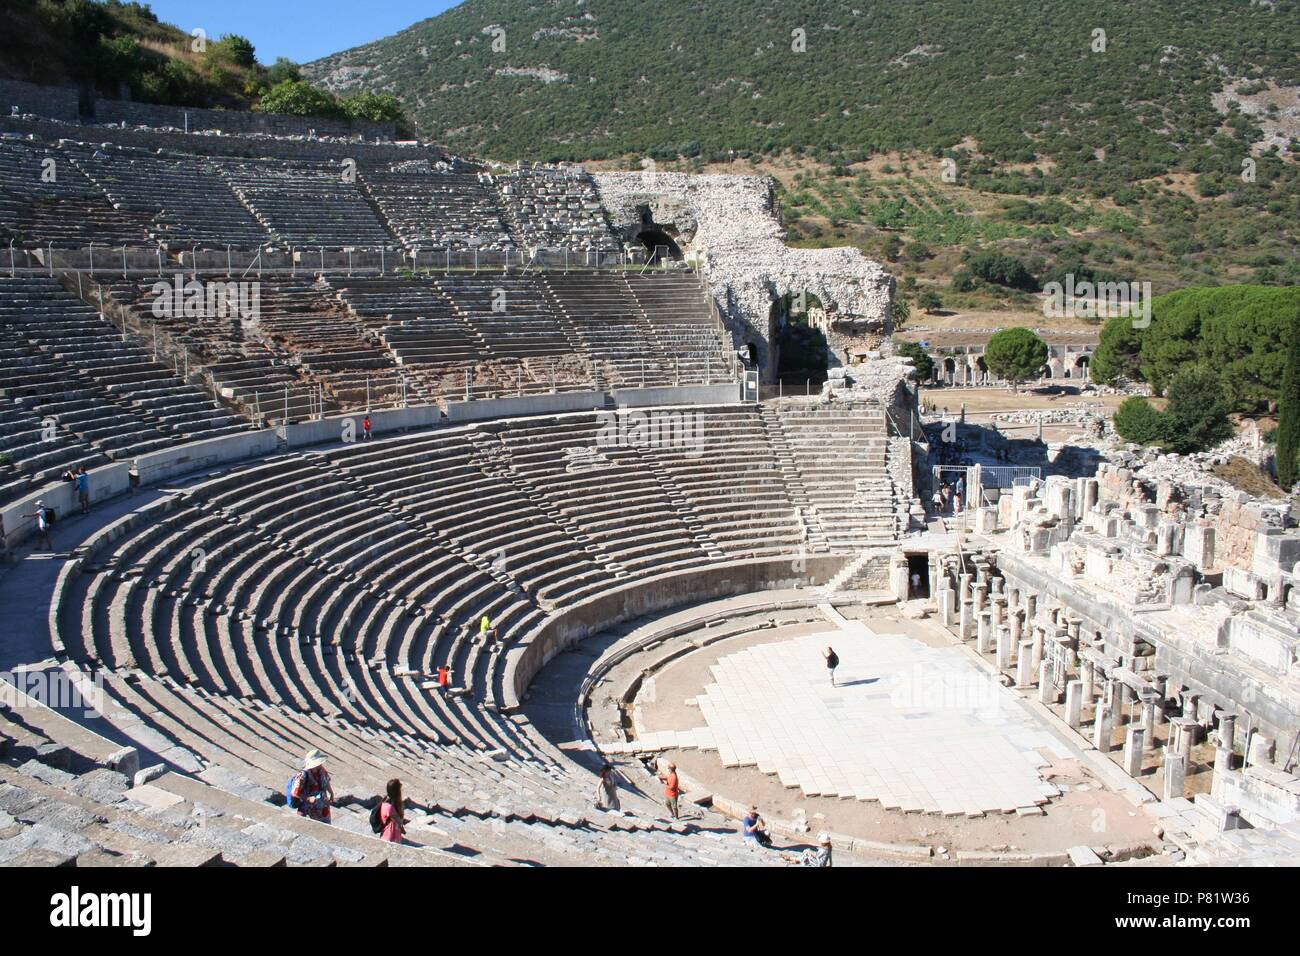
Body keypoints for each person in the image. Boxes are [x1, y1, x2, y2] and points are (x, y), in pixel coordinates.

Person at [291, 750, 334, 823]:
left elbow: (326, 781)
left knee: (326, 825)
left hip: (322, 803)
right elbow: (294, 793)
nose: (320, 764)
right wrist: (308, 798)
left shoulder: (321, 770)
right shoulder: (303, 775)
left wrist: (331, 793)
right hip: (307, 805)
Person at [378, 778, 405, 843]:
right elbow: (399, 821)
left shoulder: (386, 803)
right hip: (390, 838)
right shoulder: (389, 807)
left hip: (389, 836)